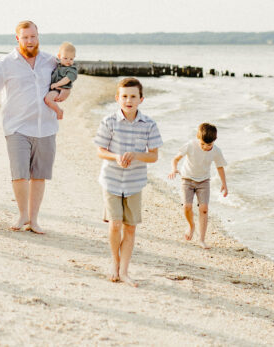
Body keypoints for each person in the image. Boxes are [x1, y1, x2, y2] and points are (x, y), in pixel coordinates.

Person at [0, 20, 58, 234]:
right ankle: (22, 214)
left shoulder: (51, 61)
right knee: (20, 173)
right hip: (17, 127)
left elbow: (65, 86)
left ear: (38, 36)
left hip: (45, 127)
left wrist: (59, 99)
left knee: (39, 175)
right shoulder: (5, 63)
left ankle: (34, 219)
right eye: (25, 37)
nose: (30, 41)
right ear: (17, 38)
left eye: (33, 36)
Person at [94, 78, 162, 286]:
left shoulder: (149, 124)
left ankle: (124, 271)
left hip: (135, 183)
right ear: (117, 99)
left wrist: (135, 155)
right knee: (115, 225)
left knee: (130, 228)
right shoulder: (109, 122)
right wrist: (116, 156)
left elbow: (153, 156)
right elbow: (100, 150)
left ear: (141, 99)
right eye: (124, 96)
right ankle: (114, 262)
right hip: (111, 180)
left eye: (133, 96)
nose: (128, 100)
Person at [168, 123, 228, 249]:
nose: (206, 147)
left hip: (204, 181)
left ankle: (202, 239)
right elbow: (175, 159)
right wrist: (174, 169)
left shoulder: (216, 151)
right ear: (198, 138)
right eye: (202, 144)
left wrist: (224, 184)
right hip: (187, 179)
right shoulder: (190, 145)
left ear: (214, 141)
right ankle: (191, 225)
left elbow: (220, 167)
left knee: (204, 208)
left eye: (209, 145)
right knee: (187, 206)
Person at [43, 42, 76, 120]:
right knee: (48, 99)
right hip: (55, 88)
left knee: (48, 99)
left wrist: (56, 84)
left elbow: (67, 79)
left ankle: (59, 111)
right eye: (65, 58)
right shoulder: (58, 64)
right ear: (59, 56)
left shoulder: (71, 69)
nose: (68, 61)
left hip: (59, 89)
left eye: (71, 59)